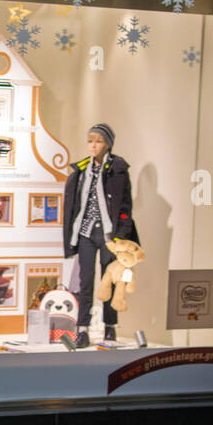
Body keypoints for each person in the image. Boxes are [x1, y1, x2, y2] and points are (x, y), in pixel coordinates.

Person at [62, 123, 138, 348]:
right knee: (85, 281)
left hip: (108, 235)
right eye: (90, 141)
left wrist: (121, 236)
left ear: (108, 144)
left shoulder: (118, 170)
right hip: (85, 232)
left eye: (98, 141)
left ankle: (110, 327)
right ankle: (82, 328)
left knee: (110, 281)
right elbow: (74, 204)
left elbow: (125, 206)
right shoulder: (82, 170)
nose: (93, 145)